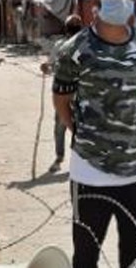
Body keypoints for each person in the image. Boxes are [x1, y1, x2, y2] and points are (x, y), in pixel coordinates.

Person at [52, 0, 136, 268]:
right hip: (89, 170)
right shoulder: (75, 49)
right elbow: (61, 100)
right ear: (96, 0)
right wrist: (81, 132)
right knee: (86, 255)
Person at [40, 14, 84, 173]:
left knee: (63, 125)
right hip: (74, 92)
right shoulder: (83, 45)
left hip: (67, 92)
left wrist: (46, 67)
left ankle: (62, 158)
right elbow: (50, 65)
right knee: (74, 124)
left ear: (66, 29)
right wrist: (47, 67)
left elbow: (50, 66)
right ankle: (65, 158)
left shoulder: (63, 45)